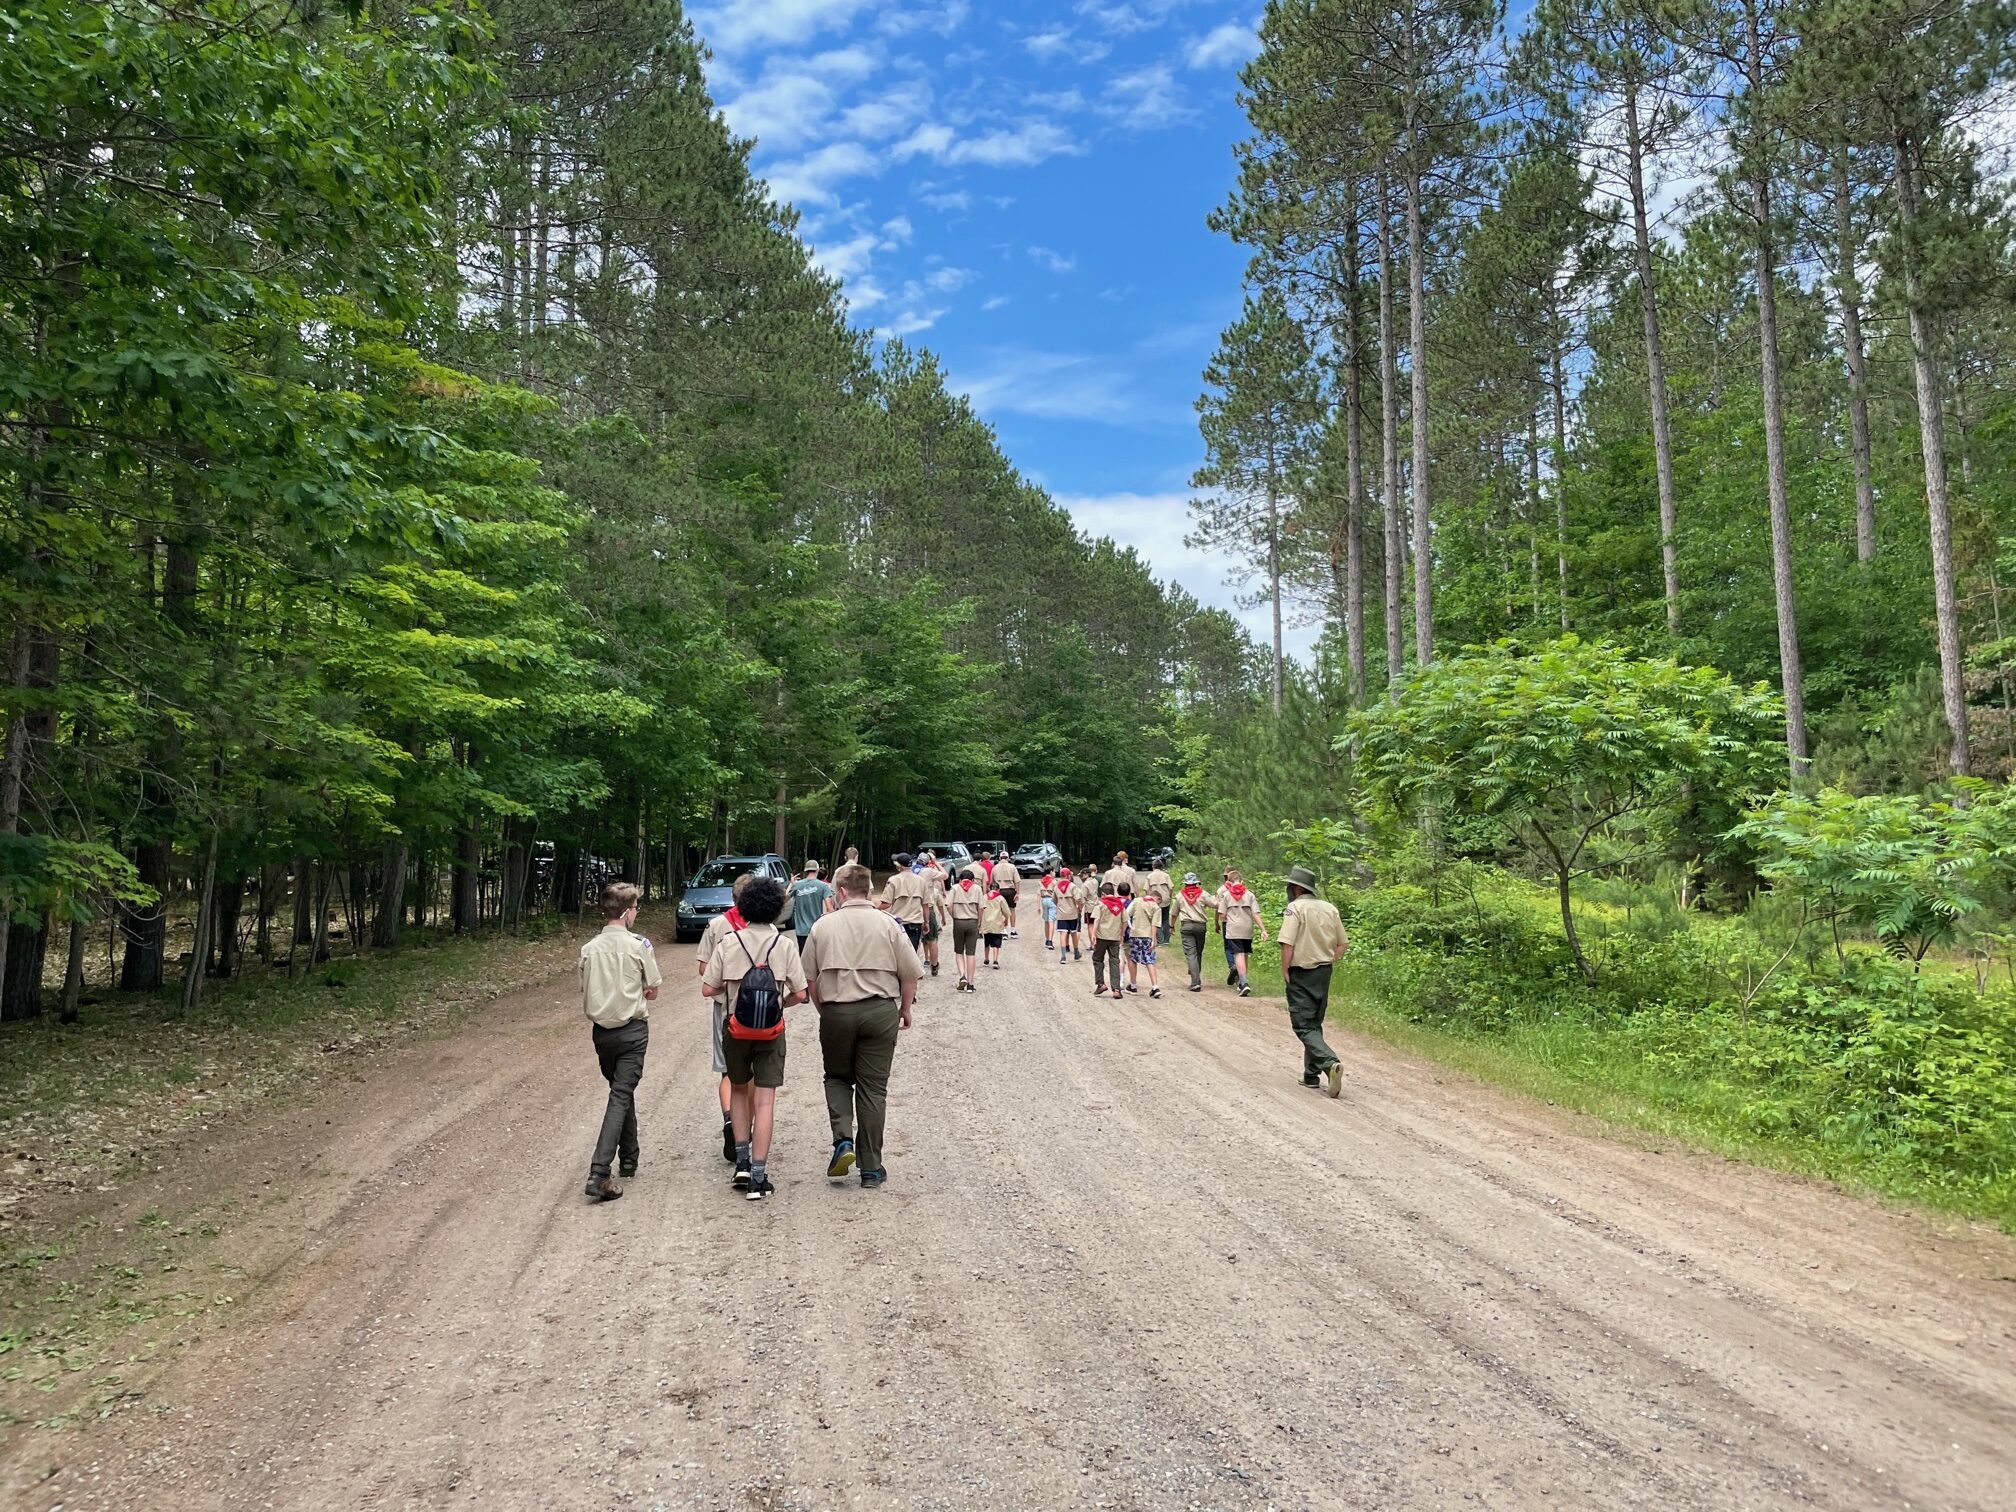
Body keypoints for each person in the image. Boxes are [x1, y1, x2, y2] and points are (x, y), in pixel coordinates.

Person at [802, 863, 921, 1188]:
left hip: (837, 1011)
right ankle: (871, 1167)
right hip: (880, 1011)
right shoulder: (888, 924)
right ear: (870, 890)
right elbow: (909, 973)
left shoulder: (822, 927)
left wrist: (824, 1009)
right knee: (873, 1089)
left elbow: (809, 979)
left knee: (838, 1077)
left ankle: (843, 1140)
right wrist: (905, 1009)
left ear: (840, 891)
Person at [700, 877, 808, 1199]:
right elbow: (801, 994)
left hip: (735, 1029)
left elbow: (708, 989)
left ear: (743, 908)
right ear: (777, 910)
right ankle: (759, 1178)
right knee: (765, 1100)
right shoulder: (785, 946)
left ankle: (742, 1163)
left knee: (737, 1091)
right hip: (771, 1032)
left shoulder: (729, 943)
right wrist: (779, 1003)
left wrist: (734, 993)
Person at [578, 882, 662, 1203]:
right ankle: (600, 1172)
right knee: (620, 1094)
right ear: (628, 912)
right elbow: (653, 988)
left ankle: (629, 1156)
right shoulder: (639, 946)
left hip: (602, 1035)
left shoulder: (589, 949)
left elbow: (585, 988)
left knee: (620, 1091)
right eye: (636, 908)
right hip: (632, 1032)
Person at [696, 872, 755, 1164]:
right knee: (754, 1072)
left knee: (727, 1072)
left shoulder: (717, 925)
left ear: (732, 897)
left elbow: (703, 969)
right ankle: (749, 1127)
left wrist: (724, 986)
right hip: (759, 1011)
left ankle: (731, 1121)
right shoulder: (763, 926)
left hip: (725, 1009)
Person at [1279, 866, 1348, 1097]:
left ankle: (1330, 1064)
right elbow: (1342, 944)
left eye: (1290, 886)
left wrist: (1285, 969)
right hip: (1324, 972)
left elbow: (1287, 943)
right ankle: (1311, 1075)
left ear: (1297, 888)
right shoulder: (1330, 908)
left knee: (1303, 1025)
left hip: (1301, 971)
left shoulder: (1295, 908)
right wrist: (1329, 960)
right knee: (1314, 1024)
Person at [1216, 868, 1269, 997]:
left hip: (1233, 929)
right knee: (1245, 954)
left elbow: (1222, 914)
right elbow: (1255, 913)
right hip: (1247, 928)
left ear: (1229, 881)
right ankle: (1241, 982)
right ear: (1241, 880)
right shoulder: (1249, 894)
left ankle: (1244, 983)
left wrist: (1230, 918)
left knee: (1238, 955)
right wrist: (1263, 929)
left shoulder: (1226, 895)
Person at [944, 865, 987, 991]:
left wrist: (954, 915)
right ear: (973, 880)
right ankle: (970, 983)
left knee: (959, 951)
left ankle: (962, 975)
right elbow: (981, 908)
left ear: (960, 879)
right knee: (971, 953)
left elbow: (948, 905)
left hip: (958, 922)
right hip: (972, 922)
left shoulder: (955, 888)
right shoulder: (977, 888)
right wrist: (979, 922)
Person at [880, 852, 928, 952]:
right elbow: (925, 905)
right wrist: (926, 922)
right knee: (912, 955)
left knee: (898, 955)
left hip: (898, 924)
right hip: (915, 924)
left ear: (899, 866)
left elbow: (886, 904)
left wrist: (873, 909)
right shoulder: (921, 881)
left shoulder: (893, 880)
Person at [1089, 880, 1128, 1000]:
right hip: (1115, 937)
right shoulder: (1120, 905)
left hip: (1102, 937)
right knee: (1114, 961)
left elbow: (1096, 920)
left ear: (1104, 894)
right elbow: (1125, 921)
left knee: (1097, 959)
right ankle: (1116, 989)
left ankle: (1101, 984)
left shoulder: (1101, 904)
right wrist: (1121, 934)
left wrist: (1093, 934)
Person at [1174, 872, 1212, 992]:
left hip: (1187, 927)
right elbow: (1216, 904)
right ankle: (1197, 978)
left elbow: (1173, 913)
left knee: (1191, 954)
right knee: (1198, 952)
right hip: (1201, 927)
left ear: (1185, 883)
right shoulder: (1203, 894)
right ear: (1196, 883)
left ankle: (1195, 982)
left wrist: (1171, 925)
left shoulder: (1180, 895)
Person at [1124, 881, 1162, 998]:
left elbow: (1126, 915)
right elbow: (1154, 925)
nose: (1158, 903)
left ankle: (1133, 985)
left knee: (1133, 959)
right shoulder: (1156, 908)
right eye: (1159, 900)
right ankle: (1155, 987)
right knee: (1149, 960)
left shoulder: (1137, 901)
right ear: (1156, 897)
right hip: (1147, 936)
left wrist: (1127, 929)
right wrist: (1153, 939)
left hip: (1135, 934)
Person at [787, 861, 835, 951]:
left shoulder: (797, 885)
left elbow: (784, 899)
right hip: (817, 930)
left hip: (801, 931)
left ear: (806, 871)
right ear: (817, 870)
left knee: (804, 958)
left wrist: (791, 884)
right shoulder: (823, 886)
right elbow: (829, 908)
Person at [917, 851, 946, 977]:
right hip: (927, 908)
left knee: (914, 940)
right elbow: (945, 875)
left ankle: (915, 967)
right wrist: (935, 863)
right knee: (932, 939)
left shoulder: (910, 871)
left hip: (912, 909)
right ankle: (934, 965)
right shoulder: (928, 871)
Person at [1052, 866, 1082, 961]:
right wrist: (1079, 908)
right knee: (1073, 932)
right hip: (1072, 913)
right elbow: (1078, 899)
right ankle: (1076, 952)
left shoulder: (1056, 887)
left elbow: (1054, 900)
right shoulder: (1072, 886)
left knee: (1063, 934)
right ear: (1069, 876)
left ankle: (1063, 956)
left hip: (1061, 914)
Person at [1143, 858, 1174, 946]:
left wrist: (1149, 898)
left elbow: (1146, 889)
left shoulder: (1149, 876)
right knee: (1165, 918)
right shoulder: (1166, 875)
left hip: (1154, 901)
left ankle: (1160, 940)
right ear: (1162, 866)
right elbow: (1171, 887)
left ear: (1153, 866)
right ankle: (1166, 939)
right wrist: (1169, 896)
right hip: (1165, 900)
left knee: (1156, 919)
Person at [980, 881, 1011, 970]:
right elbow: (1006, 911)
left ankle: (986, 959)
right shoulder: (1000, 898)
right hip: (997, 923)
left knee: (987, 941)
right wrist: (1006, 920)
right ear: (998, 889)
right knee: (996, 943)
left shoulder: (984, 897)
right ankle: (995, 960)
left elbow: (981, 908)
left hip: (986, 923)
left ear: (990, 888)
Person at [995, 852, 1021, 938]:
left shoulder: (995, 867)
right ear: (1008, 858)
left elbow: (991, 881)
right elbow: (1017, 881)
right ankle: (1013, 930)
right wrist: (1017, 893)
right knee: (1012, 910)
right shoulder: (1012, 867)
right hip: (1010, 890)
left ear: (1000, 858)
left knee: (1002, 911)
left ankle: (1004, 930)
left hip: (1000, 890)